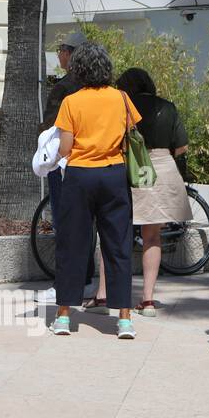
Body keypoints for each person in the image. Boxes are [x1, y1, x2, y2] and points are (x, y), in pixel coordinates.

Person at [50, 42, 140, 339]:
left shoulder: (71, 102)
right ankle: (124, 319)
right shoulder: (122, 99)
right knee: (118, 243)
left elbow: (65, 147)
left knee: (72, 243)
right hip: (114, 174)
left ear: (78, 69)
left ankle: (64, 316)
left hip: (79, 176)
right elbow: (131, 135)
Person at [87, 68, 191, 316]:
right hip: (161, 169)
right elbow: (182, 145)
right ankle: (148, 301)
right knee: (152, 235)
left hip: (126, 167)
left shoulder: (122, 106)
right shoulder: (167, 107)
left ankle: (102, 297)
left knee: (111, 232)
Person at [35, 30, 98, 305]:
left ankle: (64, 285)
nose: (58, 54)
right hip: (97, 164)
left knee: (66, 226)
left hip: (66, 164)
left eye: (62, 49)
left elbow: (53, 128)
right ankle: (84, 279)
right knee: (88, 227)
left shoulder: (64, 88)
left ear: (72, 54)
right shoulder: (103, 89)